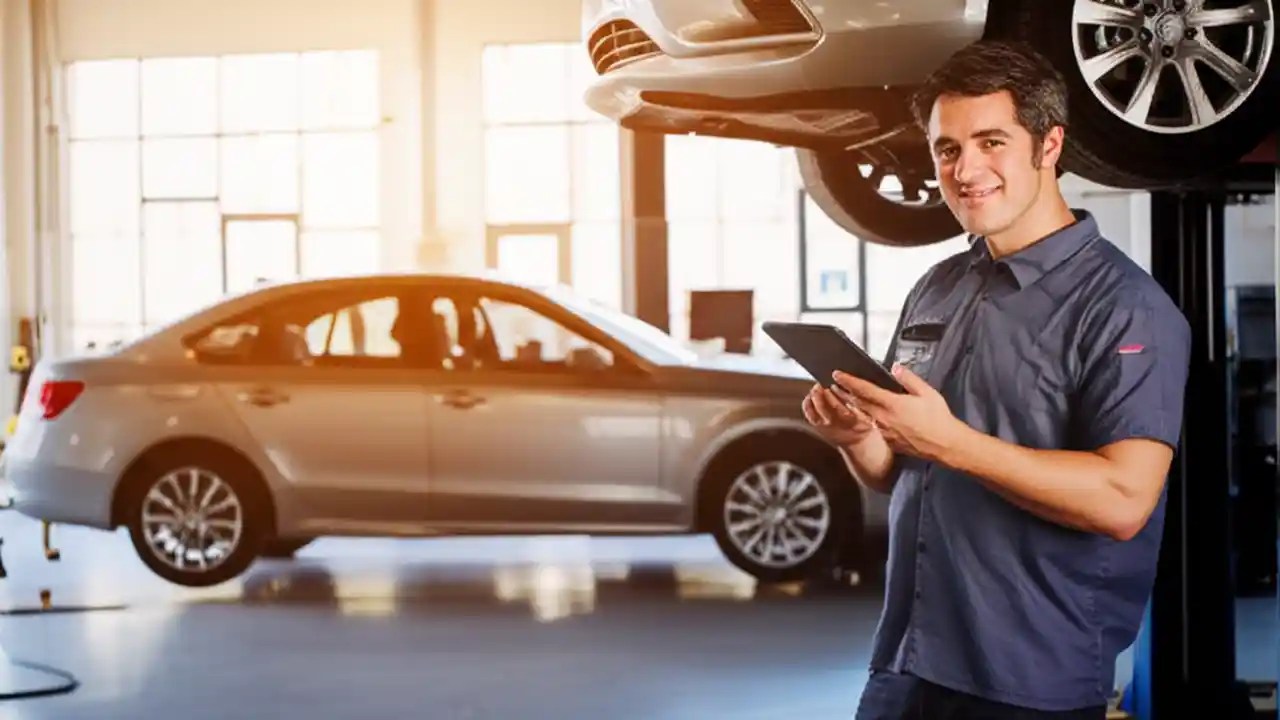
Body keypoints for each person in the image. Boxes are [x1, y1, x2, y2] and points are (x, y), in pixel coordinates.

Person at [801, 40, 1192, 719]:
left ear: (1049, 145)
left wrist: (949, 441)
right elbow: (902, 471)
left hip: (1028, 681)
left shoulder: (1126, 307)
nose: (965, 169)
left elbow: (1123, 499)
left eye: (991, 142)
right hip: (906, 663)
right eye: (947, 149)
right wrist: (858, 436)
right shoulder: (939, 286)